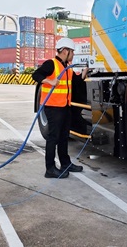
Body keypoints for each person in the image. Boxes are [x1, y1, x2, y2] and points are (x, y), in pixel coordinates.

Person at [32, 38, 89, 178]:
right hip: (53, 107)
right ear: (65, 51)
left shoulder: (66, 67)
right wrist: (50, 81)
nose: (73, 54)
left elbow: (76, 82)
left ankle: (65, 163)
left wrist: (85, 71)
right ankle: (50, 168)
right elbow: (36, 75)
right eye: (72, 51)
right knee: (54, 137)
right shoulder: (51, 64)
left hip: (64, 107)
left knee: (64, 136)